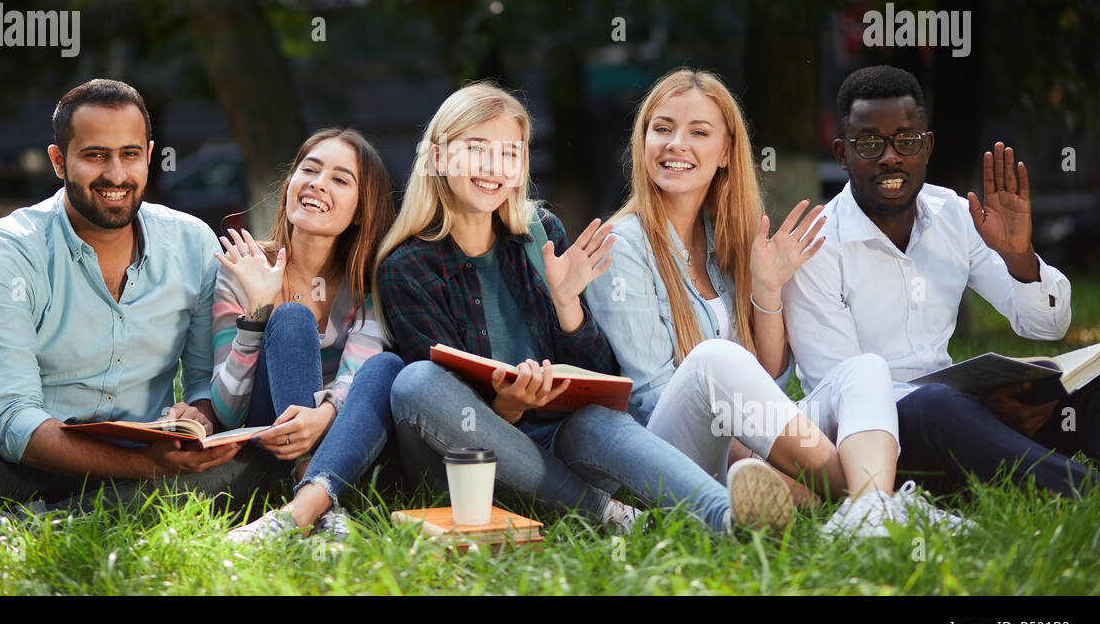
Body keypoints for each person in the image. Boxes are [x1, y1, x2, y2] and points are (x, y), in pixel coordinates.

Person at [0, 79, 276, 555]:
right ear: (59, 161)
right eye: (95, 155)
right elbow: (16, 423)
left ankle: (19, 528)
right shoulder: (11, 250)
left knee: (252, 466)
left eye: (130, 154)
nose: (116, 174)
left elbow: (204, 383)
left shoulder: (191, 243)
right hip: (17, 469)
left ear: (150, 155)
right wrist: (152, 468)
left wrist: (196, 419)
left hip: (146, 456)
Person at [377, 82, 795, 536]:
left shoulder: (542, 234)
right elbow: (449, 411)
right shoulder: (407, 267)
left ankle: (729, 518)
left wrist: (566, 304)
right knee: (414, 382)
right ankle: (606, 514)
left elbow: (599, 379)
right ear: (438, 158)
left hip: (555, 450)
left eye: (509, 154)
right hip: (469, 470)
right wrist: (510, 406)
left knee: (595, 420)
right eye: (477, 150)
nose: (492, 168)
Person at [586, 68, 961, 537]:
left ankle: (867, 512)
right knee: (713, 360)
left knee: (865, 369)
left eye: (698, 132)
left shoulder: (724, 241)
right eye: (662, 128)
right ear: (643, 142)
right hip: (666, 455)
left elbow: (765, 380)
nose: (676, 143)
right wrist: (770, 453)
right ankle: (878, 498)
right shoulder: (622, 245)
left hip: (743, 440)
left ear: (725, 152)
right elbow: (651, 398)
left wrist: (766, 291)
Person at [783, 64, 1100, 497]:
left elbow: (1046, 327)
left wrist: (1019, 257)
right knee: (935, 407)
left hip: (960, 418)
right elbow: (844, 388)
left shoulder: (956, 217)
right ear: (842, 153)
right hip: (877, 441)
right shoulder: (815, 246)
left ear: (927, 147)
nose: (890, 156)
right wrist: (976, 410)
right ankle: (1088, 494)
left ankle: (1008, 448)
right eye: (869, 142)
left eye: (906, 140)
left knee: (1089, 388)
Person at [211, 128, 403, 542]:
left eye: (340, 178)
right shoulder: (242, 267)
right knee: (293, 319)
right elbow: (225, 412)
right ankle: (317, 505)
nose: (317, 182)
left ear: (360, 210)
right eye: (309, 169)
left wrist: (326, 415)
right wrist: (260, 313)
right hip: (266, 438)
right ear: (290, 185)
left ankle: (302, 508)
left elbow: (358, 375)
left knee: (387, 366)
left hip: (341, 438)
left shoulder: (372, 282)